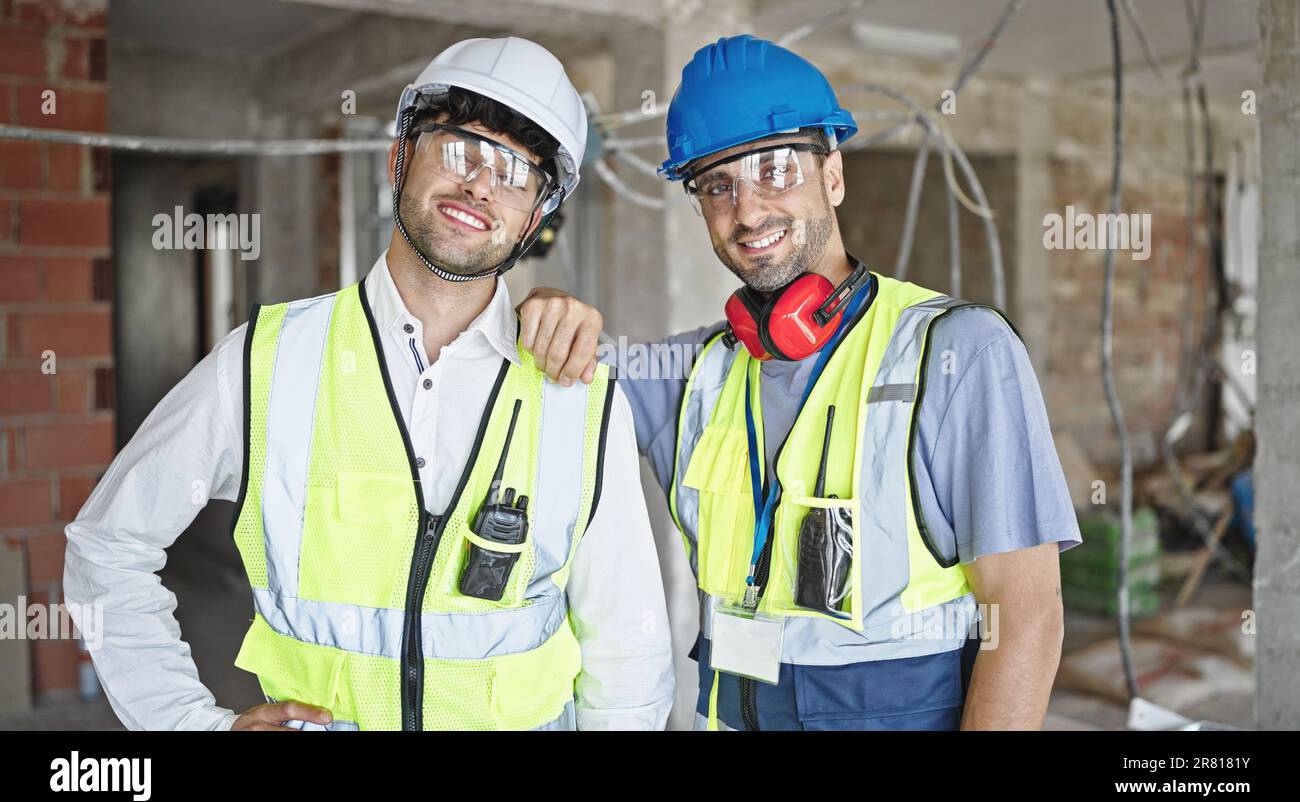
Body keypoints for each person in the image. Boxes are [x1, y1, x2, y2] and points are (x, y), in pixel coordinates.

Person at [63, 36, 674, 731]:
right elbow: (107, 546)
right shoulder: (268, 362)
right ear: (399, 159)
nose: (479, 184)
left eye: (514, 170)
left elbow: (628, 646)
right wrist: (188, 722)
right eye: (457, 148)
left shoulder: (579, 393)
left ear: (535, 217)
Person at [520, 34, 1079, 730]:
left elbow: (1026, 620)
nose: (748, 211)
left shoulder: (958, 352)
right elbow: (543, 377)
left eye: (777, 170)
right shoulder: (687, 378)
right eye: (718, 185)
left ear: (833, 175)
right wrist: (540, 310)